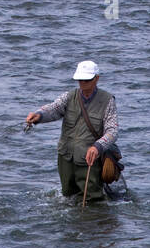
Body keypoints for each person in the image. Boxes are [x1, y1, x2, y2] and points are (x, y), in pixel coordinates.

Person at [25, 61, 124, 202]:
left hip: (90, 160)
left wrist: (98, 147)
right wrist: (38, 116)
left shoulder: (107, 100)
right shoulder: (69, 96)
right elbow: (53, 109)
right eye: (80, 80)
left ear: (97, 78)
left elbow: (112, 131)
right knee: (67, 197)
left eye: (87, 80)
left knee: (93, 199)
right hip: (66, 156)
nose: (83, 83)